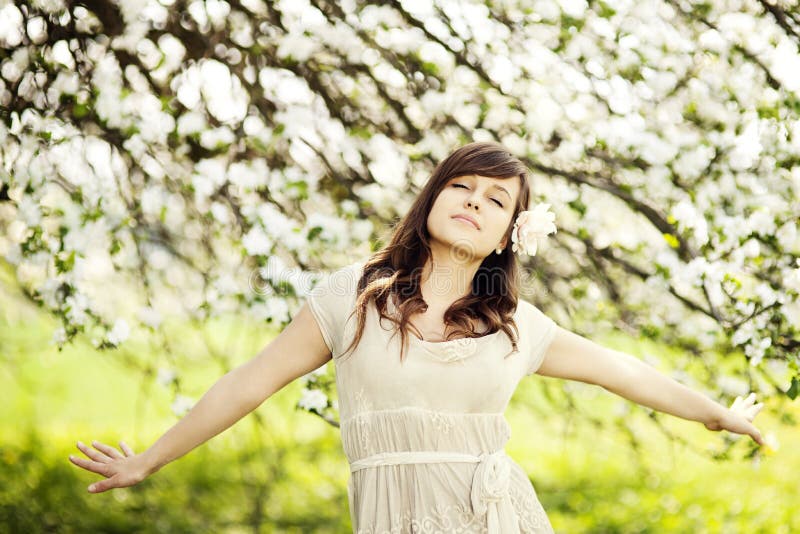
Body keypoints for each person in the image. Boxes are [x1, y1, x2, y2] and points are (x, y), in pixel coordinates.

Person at [69, 142, 766, 533]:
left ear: (508, 236)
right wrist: (149, 460)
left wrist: (718, 415)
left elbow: (626, 372)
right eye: (461, 186)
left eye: (496, 200)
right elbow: (252, 379)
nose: (474, 202)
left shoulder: (515, 327)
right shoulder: (355, 294)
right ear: (431, 199)